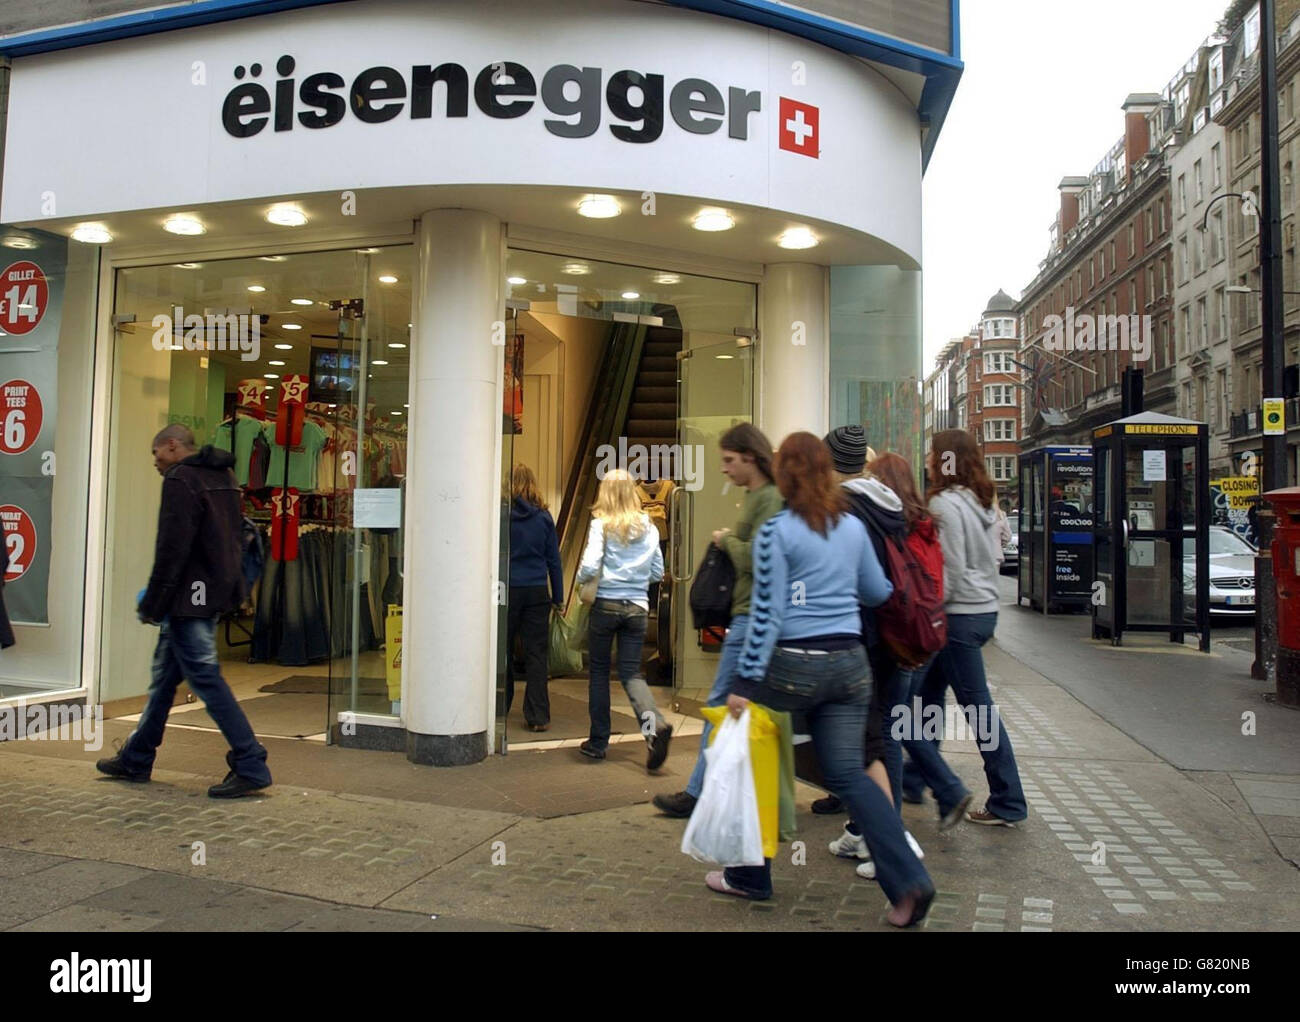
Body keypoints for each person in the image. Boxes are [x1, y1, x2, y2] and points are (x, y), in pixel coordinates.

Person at [711, 432, 934, 927]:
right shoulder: (851, 527)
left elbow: (766, 616)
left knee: (756, 758)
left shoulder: (776, 532)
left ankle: (749, 874)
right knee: (849, 775)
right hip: (850, 666)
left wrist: (745, 684)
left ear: (786, 474)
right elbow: (878, 592)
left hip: (792, 667)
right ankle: (908, 884)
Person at [96, 424, 272, 798]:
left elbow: (172, 548)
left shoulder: (181, 479)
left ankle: (250, 761)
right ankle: (137, 756)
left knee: (206, 678)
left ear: (172, 446)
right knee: (164, 681)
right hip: (213, 591)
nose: (155, 461)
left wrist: (153, 603)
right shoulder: (223, 475)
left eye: (156, 452)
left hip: (188, 598)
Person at [653, 423, 782, 817]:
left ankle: (700, 794)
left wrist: (724, 540)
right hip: (751, 617)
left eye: (729, 460)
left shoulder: (768, 500)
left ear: (750, 456)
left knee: (720, 705)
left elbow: (760, 561)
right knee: (739, 708)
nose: (724, 469)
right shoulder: (759, 497)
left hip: (751, 618)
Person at [816, 431, 926, 879]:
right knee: (876, 738)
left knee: (874, 743)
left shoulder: (845, 508)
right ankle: (863, 830)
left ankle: (892, 842)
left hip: (863, 639)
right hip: (893, 635)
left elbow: (863, 583)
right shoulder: (885, 502)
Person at [905, 428, 1027, 827]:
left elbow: (950, 570)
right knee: (926, 695)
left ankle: (1007, 800)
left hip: (956, 616)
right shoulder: (981, 500)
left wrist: (928, 614)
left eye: (931, 453)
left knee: (978, 710)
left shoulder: (944, 502)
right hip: (981, 611)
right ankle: (915, 776)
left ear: (945, 460)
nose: (926, 459)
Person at [576, 468, 673, 770]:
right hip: (637, 609)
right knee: (632, 676)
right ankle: (652, 728)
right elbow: (658, 571)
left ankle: (598, 742)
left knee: (600, 675)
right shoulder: (649, 526)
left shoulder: (600, 525)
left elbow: (590, 565)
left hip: (606, 605)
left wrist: (580, 581)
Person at [507, 464, 563, 732]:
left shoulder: (502, 515)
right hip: (537, 590)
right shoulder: (543, 517)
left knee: (502, 652)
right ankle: (537, 716)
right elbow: (554, 560)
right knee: (536, 655)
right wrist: (559, 597)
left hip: (507, 591)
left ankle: (498, 707)